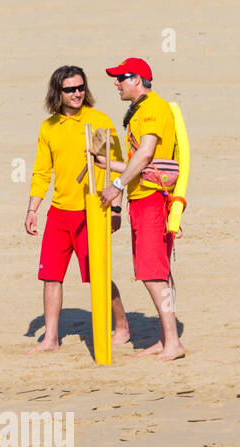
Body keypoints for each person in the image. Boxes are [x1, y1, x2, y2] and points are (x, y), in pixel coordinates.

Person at [25, 65, 130, 352]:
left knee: (98, 274)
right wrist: (33, 209)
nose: (77, 93)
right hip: (59, 212)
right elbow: (42, 172)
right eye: (70, 89)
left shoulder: (98, 122)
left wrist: (117, 210)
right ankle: (50, 338)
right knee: (51, 276)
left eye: (81, 87)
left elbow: (116, 169)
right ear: (58, 92)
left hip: (92, 210)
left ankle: (122, 326)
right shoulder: (49, 127)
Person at [93, 57, 184, 360]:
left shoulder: (152, 109)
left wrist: (116, 186)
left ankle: (173, 343)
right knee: (159, 271)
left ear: (137, 80)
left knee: (152, 273)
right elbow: (142, 161)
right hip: (147, 196)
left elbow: (145, 156)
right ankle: (164, 338)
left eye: (121, 78)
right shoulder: (143, 110)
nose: (116, 83)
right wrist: (108, 164)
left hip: (152, 199)